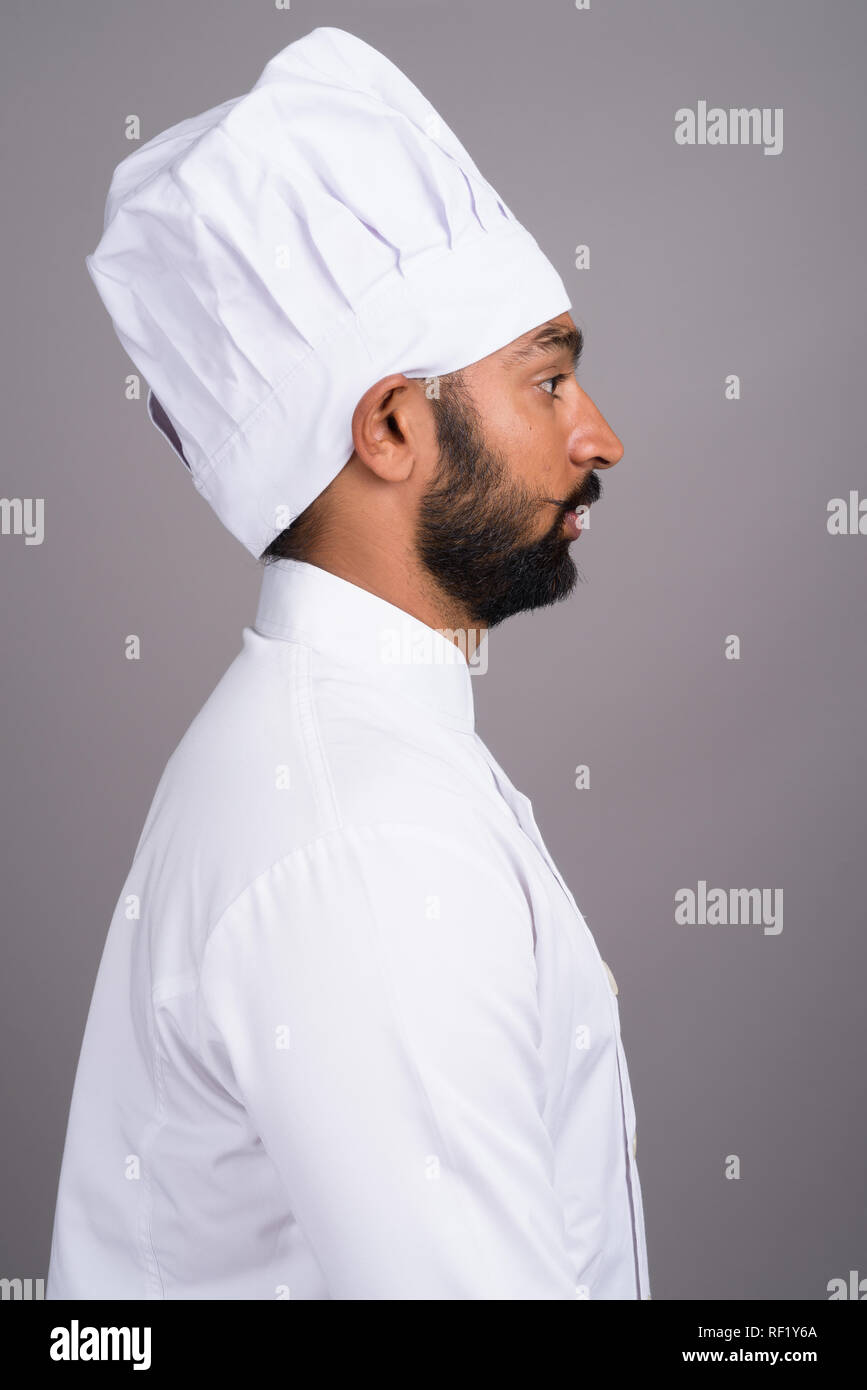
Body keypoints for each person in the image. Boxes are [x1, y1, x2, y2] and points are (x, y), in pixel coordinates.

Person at [46, 25, 650, 1300]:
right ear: (390, 425)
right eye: (546, 381)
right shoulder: (366, 840)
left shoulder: (345, 761)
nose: (600, 436)